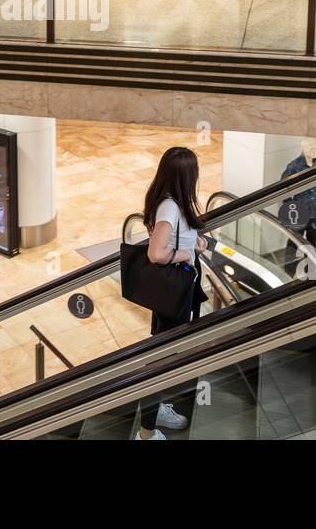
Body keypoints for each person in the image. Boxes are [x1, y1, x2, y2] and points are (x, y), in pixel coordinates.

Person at [135, 146, 210, 441]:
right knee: (160, 363)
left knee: (162, 355)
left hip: (172, 294)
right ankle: (146, 433)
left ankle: (156, 413)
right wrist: (188, 252)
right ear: (186, 177)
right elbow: (156, 253)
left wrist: (194, 243)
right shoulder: (170, 208)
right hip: (173, 295)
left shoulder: (170, 203)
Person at [277, 138, 316, 260]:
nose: (314, 150)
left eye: (315, 148)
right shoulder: (294, 167)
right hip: (299, 213)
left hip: (314, 212)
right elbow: (282, 188)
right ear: (303, 149)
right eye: (311, 148)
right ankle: (288, 268)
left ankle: (311, 266)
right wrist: (291, 205)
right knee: (294, 241)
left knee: (312, 241)